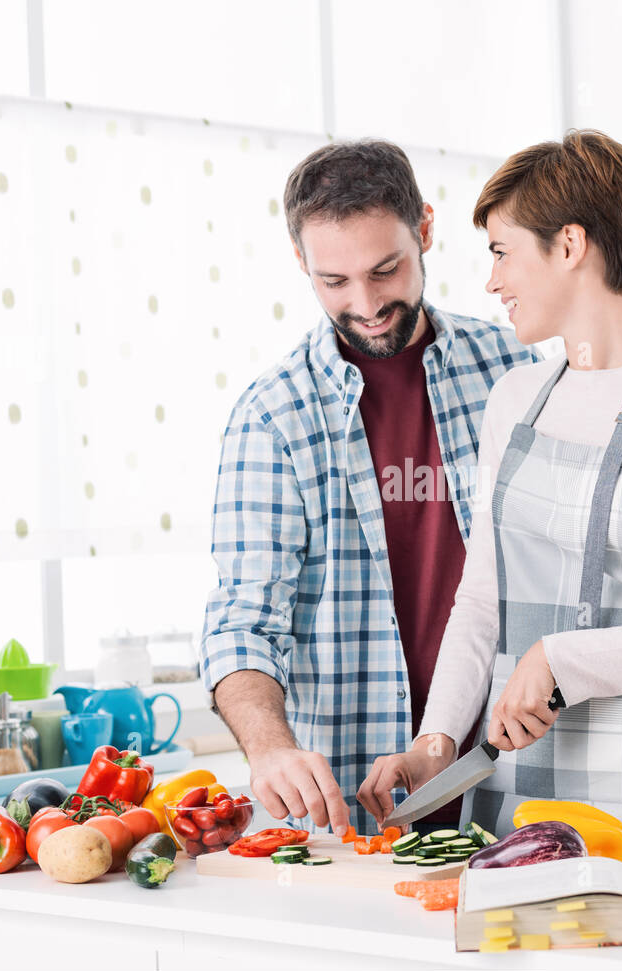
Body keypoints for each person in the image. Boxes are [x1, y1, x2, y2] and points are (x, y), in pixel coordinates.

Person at [357, 130, 622, 852]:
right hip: (520, 790)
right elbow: (483, 600)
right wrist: (436, 740)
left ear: (571, 245)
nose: (491, 282)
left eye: (501, 251)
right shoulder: (515, 398)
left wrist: (562, 659)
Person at [201, 139, 539, 836]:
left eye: (386, 270)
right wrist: (270, 748)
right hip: (358, 815)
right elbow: (242, 622)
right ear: (302, 262)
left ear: (425, 229)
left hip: (515, 785)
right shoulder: (273, 416)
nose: (366, 303)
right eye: (335, 281)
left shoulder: (513, 368)